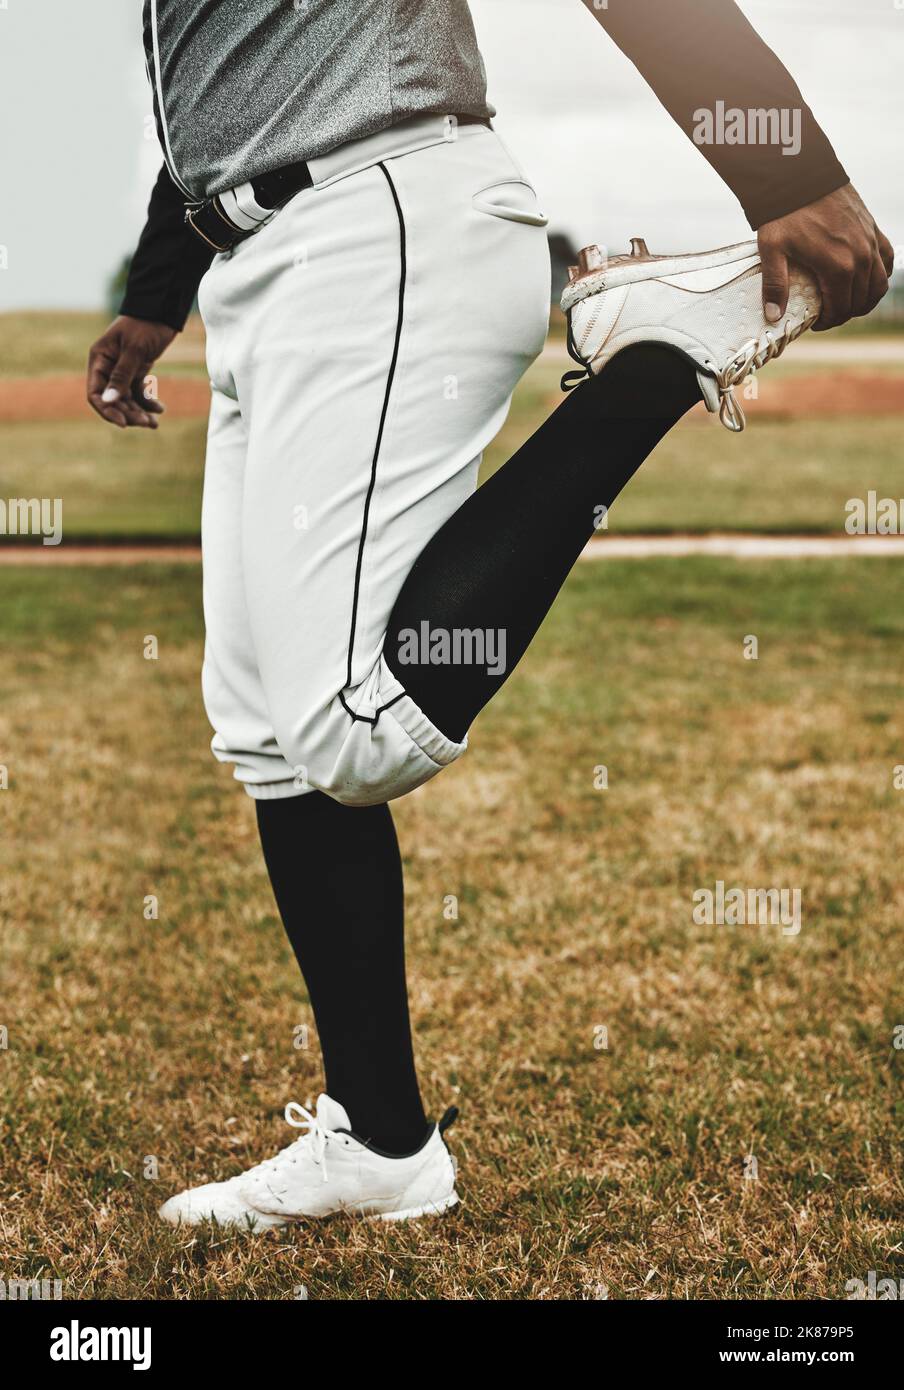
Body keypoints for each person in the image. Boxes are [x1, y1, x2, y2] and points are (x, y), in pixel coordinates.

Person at [86, 0, 892, 1228]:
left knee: (354, 726)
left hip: (377, 211)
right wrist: (163, 289)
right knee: (265, 733)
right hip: (266, 257)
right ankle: (381, 1141)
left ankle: (666, 352)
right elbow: (225, 74)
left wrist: (785, 168)